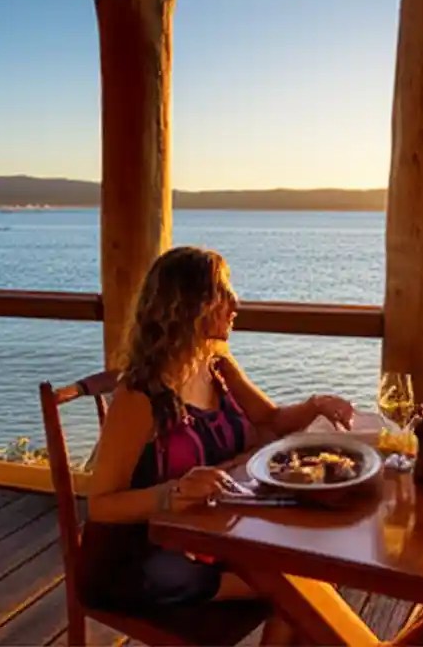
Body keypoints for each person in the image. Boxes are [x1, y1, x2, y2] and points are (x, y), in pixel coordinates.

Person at [80, 246, 355, 613]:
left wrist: (315, 404)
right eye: (222, 290)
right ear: (188, 306)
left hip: (213, 536)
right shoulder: (139, 397)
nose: (235, 301)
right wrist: (172, 494)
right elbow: (100, 506)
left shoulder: (217, 364)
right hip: (142, 557)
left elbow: (269, 420)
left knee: (309, 577)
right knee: (301, 591)